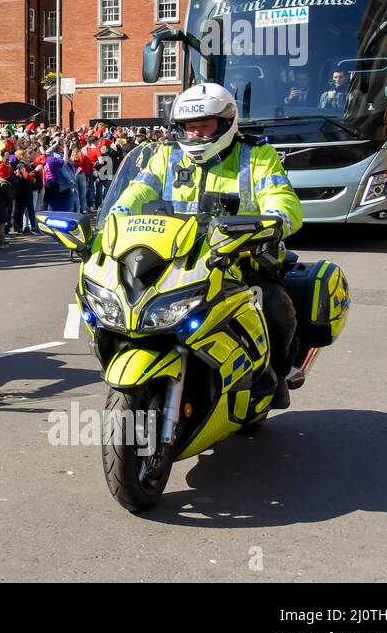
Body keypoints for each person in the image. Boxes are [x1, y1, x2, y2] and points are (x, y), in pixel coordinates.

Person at [110, 83, 303, 410]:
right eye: (189, 127)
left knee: (275, 305)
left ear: (226, 123)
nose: (196, 134)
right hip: (180, 258)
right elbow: (136, 191)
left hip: (244, 260)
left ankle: (275, 375)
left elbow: (282, 198)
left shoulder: (256, 155)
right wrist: (115, 217)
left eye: (204, 125)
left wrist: (275, 219)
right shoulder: (166, 157)